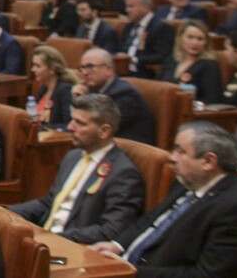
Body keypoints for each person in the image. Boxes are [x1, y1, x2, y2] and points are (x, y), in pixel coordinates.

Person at [92, 123, 237, 275]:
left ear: (208, 161)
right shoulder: (188, 182)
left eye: (181, 151)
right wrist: (117, 245)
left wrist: (132, 271)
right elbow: (150, 220)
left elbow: (205, 275)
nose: (172, 157)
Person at [11, 92, 145, 241]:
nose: (70, 127)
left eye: (80, 123)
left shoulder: (123, 173)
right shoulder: (72, 157)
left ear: (104, 131)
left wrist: (53, 237)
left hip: (75, 247)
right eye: (71, 120)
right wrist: (5, 213)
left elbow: (110, 230)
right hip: (45, 239)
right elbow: (49, 203)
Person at [72, 48, 156, 145]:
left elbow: (97, 127)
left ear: (109, 69)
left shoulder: (125, 94)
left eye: (90, 67)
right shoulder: (92, 89)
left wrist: (81, 101)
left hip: (128, 152)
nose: (85, 73)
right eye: (82, 67)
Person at [157, 20, 221, 104]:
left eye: (200, 39)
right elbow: (157, 86)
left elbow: (212, 100)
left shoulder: (209, 65)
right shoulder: (171, 60)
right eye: (190, 37)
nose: (194, 43)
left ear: (206, 43)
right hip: (165, 108)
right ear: (180, 38)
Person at [120, 0, 173, 79]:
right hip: (122, 71)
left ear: (145, 7)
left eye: (131, 6)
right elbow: (122, 47)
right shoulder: (129, 26)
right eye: (127, 6)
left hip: (143, 73)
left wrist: (133, 60)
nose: (127, 10)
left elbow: (162, 57)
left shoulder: (162, 28)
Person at [30, 45, 78, 127]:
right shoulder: (43, 89)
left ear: (52, 69)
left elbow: (68, 124)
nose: (33, 69)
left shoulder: (65, 90)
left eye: (38, 66)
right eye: (33, 65)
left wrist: (42, 128)